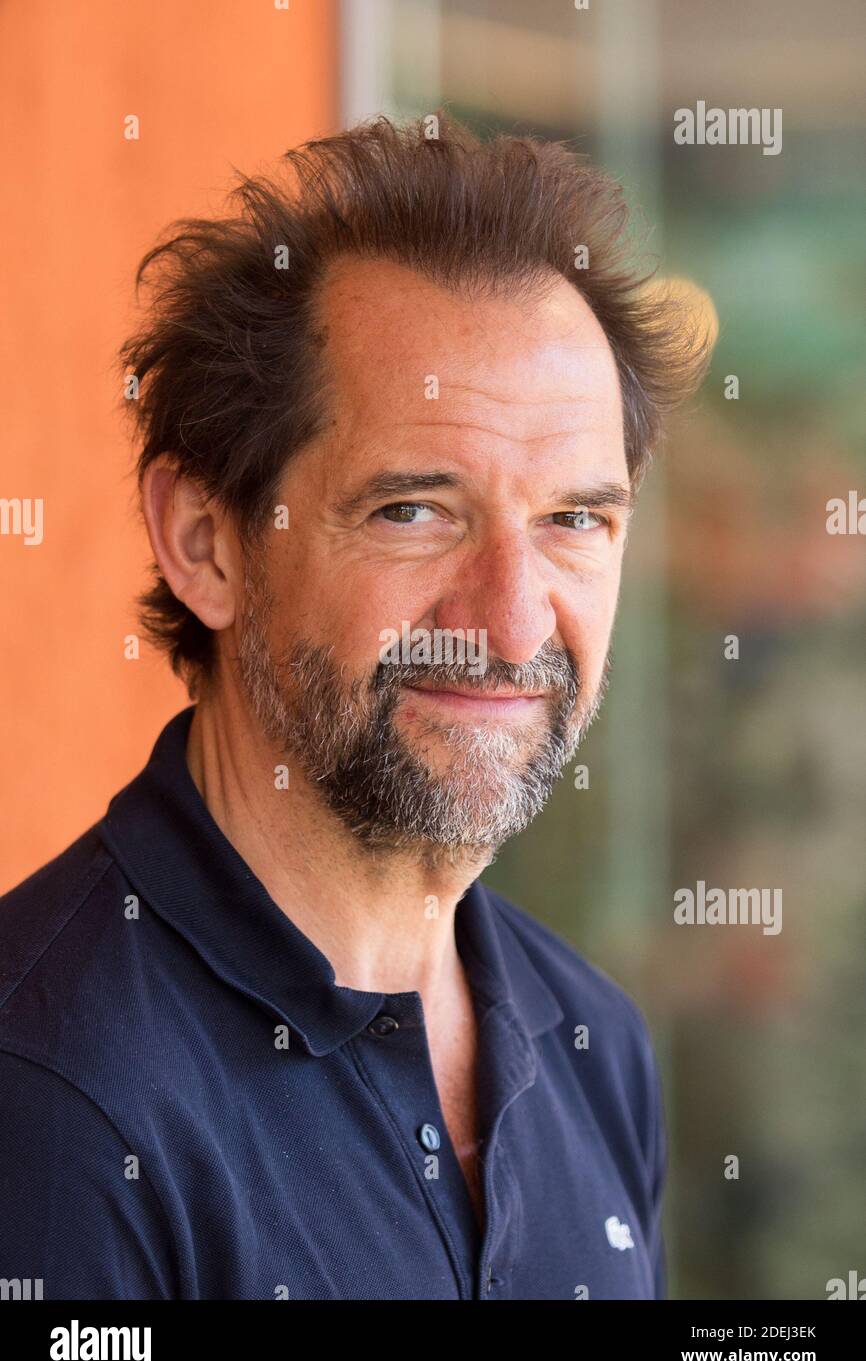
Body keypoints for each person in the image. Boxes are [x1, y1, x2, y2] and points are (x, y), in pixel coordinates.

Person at [0, 115, 710, 1299]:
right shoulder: (49, 1093)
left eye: (572, 519)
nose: (514, 622)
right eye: (412, 511)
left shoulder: (591, 1041)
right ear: (205, 541)